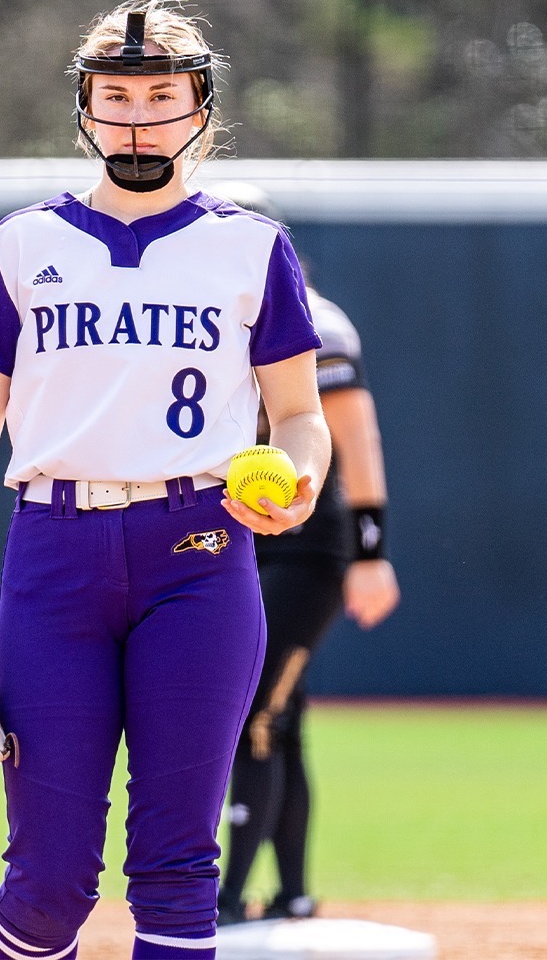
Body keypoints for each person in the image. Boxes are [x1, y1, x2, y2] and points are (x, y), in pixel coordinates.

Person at [0, 0, 330, 959]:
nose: (137, 117)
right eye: (116, 94)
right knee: (49, 877)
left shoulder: (251, 247)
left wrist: (299, 474)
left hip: (200, 554)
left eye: (160, 95)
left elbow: (301, 414)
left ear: (201, 109)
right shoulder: (21, 245)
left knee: (178, 870)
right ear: (85, 109)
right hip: (55, 556)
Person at [207, 184, 401, 925]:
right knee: (281, 720)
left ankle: (226, 900)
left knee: (253, 714)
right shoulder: (203, 314)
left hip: (306, 546)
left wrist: (370, 552)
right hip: (233, 537)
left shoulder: (318, 321)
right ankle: (290, 894)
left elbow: (358, 439)